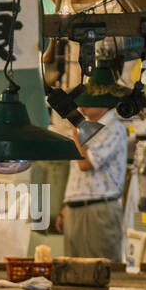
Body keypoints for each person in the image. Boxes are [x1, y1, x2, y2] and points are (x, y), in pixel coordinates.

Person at [54, 64, 129, 261]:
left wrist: (74, 132)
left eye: (86, 101)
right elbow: (76, 173)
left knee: (100, 268)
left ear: (104, 102)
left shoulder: (114, 129)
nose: (81, 107)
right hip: (75, 207)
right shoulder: (86, 127)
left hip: (99, 209)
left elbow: (85, 164)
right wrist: (66, 206)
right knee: (72, 270)